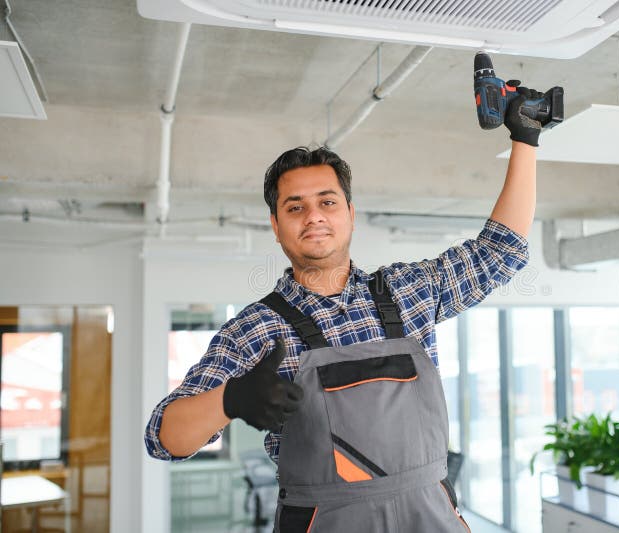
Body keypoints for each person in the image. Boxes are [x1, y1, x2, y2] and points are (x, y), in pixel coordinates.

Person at [145, 89, 543, 532]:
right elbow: (163, 438)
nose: (313, 216)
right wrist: (230, 398)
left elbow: (500, 251)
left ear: (350, 213)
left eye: (327, 202)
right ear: (275, 226)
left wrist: (525, 138)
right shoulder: (255, 330)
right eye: (295, 207)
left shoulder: (409, 292)